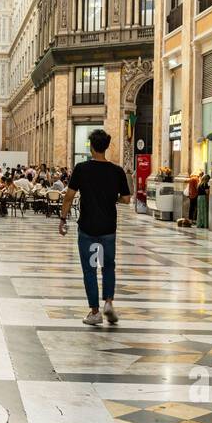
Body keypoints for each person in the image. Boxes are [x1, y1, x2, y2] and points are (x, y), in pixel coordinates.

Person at [59, 129, 131, 326]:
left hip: (88, 230)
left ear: (91, 147)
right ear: (107, 146)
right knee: (108, 266)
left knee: (90, 270)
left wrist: (63, 219)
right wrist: (113, 198)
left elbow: (69, 196)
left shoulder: (82, 169)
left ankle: (95, 312)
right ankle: (108, 301)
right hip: (108, 229)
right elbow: (126, 198)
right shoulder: (117, 171)